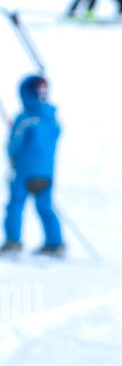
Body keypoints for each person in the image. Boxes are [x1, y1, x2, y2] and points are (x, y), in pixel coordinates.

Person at [2, 75, 64, 255]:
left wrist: (13, 158)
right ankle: (55, 242)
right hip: (46, 173)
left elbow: (15, 144)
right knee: (45, 206)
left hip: (25, 171)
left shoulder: (25, 119)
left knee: (15, 205)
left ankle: (13, 241)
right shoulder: (52, 119)